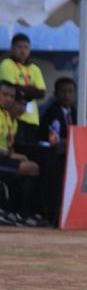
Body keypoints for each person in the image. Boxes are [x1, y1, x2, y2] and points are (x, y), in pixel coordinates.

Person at [0, 82, 41, 226]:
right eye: (5, 95)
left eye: (11, 96)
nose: (9, 99)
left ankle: (13, 211)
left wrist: (13, 154)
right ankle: (20, 212)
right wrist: (9, 155)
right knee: (32, 168)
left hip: (3, 159)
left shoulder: (10, 119)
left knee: (29, 166)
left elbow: (8, 145)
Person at [38, 77, 77, 225]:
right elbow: (51, 140)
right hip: (54, 156)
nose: (66, 95)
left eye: (70, 92)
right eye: (63, 91)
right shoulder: (51, 112)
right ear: (55, 93)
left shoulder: (75, 111)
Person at [0, 33, 46, 150]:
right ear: (12, 48)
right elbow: (12, 89)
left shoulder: (34, 68)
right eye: (19, 47)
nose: (23, 51)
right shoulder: (7, 64)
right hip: (15, 116)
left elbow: (41, 93)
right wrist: (31, 89)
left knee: (31, 151)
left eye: (26, 47)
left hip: (32, 119)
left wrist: (22, 89)